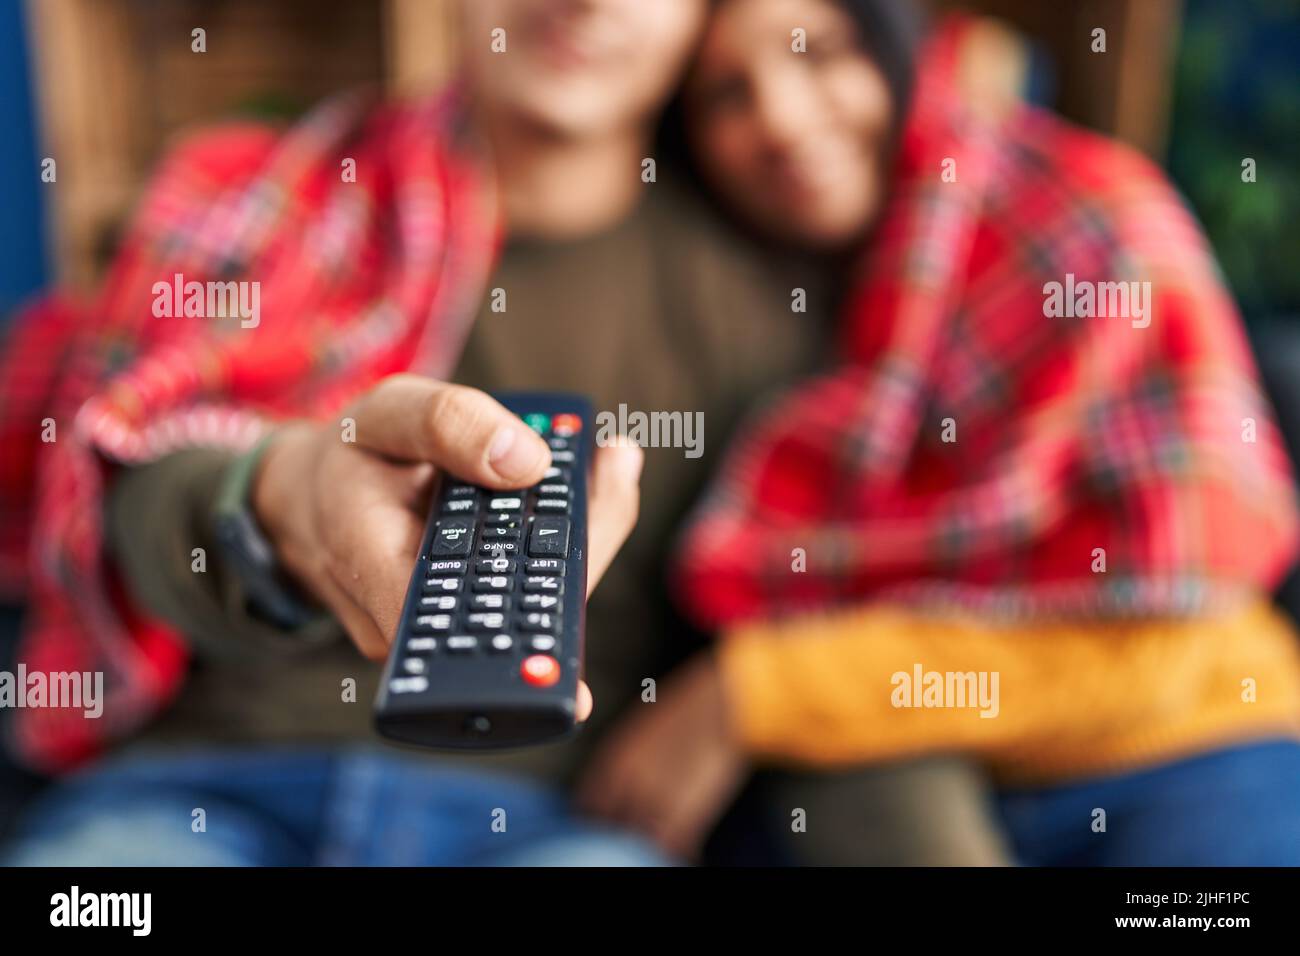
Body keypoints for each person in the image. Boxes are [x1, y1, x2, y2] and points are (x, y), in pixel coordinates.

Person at [574, 0, 1300, 865]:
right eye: (726, 94)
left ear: (891, 46)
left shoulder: (1086, 217)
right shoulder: (742, 306)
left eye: (821, 53)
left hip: (1175, 740)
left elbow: (1181, 619)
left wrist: (758, 690)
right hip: (884, 769)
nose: (780, 116)